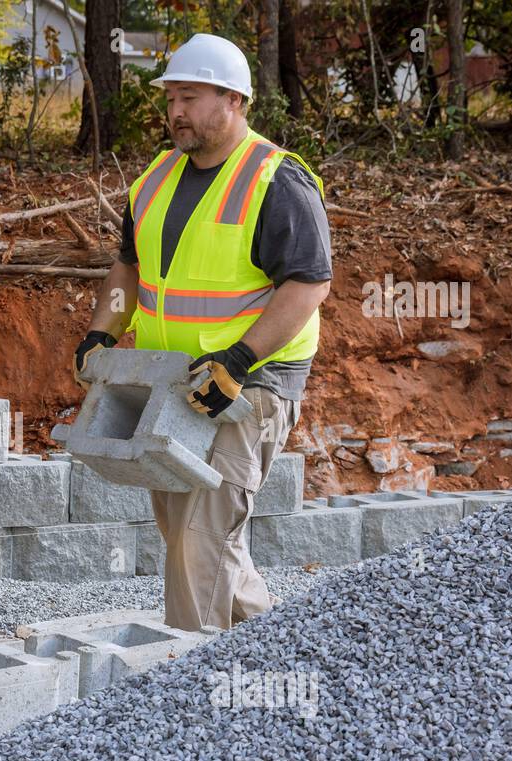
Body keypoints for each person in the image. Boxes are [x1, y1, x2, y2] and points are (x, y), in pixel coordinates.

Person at [73, 33, 332, 632]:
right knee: (198, 540)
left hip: (251, 384)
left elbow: (309, 284)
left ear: (235, 100)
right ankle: (269, 650)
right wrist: (101, 334)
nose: (176, 112)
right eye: (171, 99)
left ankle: (192, 688)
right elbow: (128, 268)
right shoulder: (156, 177)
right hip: (177, 383)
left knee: (199, 544)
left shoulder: (276, 180)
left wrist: (238, 361)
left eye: (190, 98)